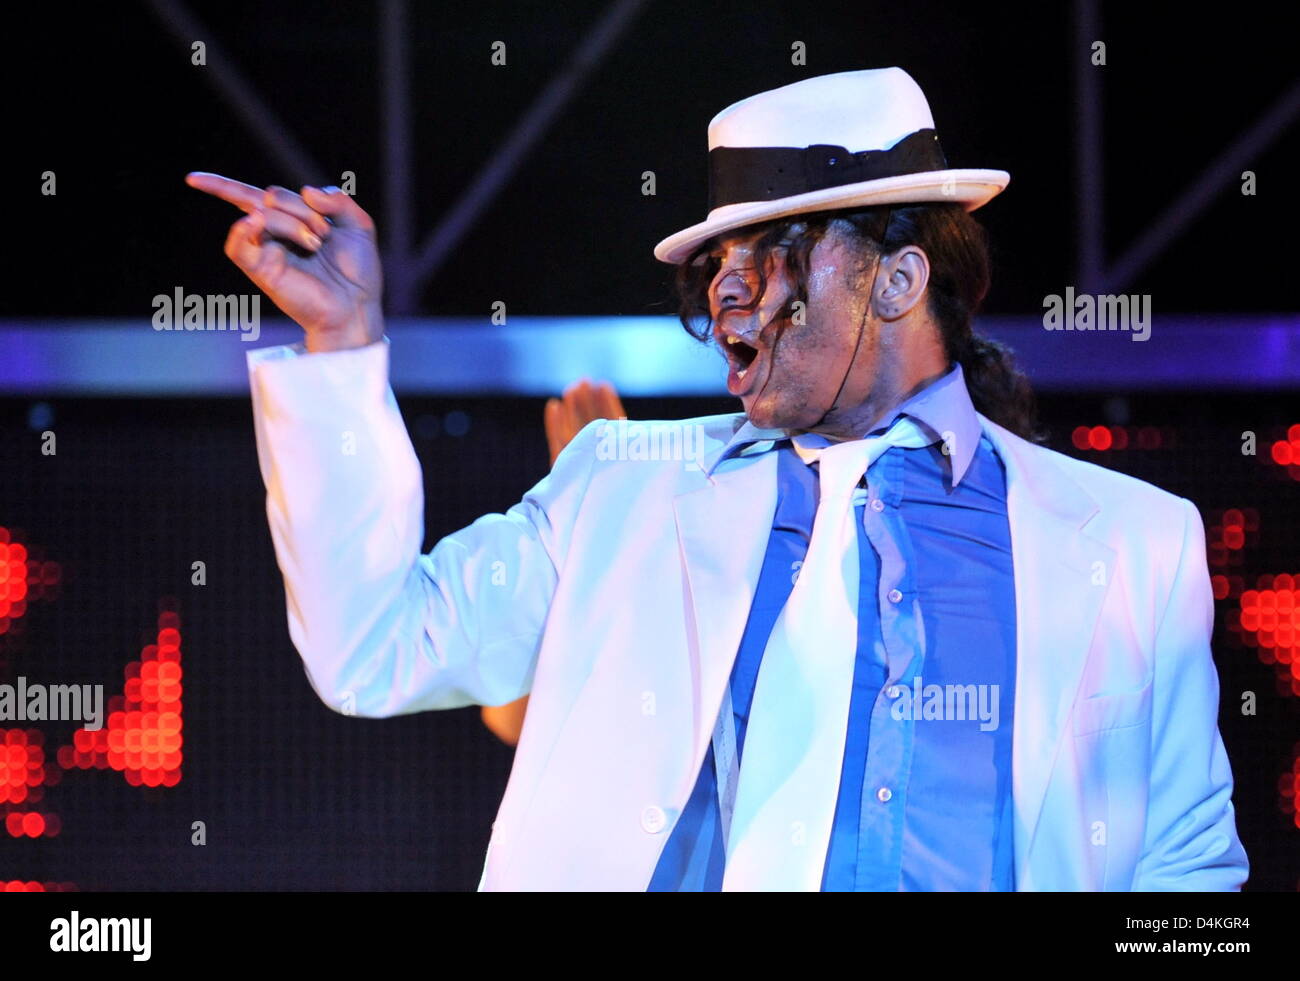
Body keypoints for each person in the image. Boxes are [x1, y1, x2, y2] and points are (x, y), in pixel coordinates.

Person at [187, 66, 1247, 890]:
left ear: (898, 277)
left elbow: (1185, 874)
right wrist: (341, 341)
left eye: (771, 253)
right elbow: (370, 652)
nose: (727, 298)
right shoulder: (623, 487)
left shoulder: (1128, 540)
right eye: (715, 267)